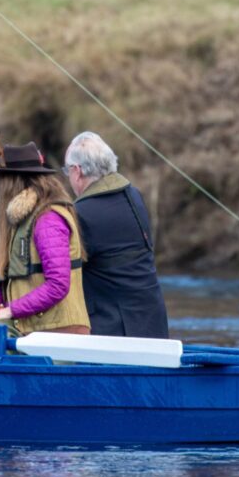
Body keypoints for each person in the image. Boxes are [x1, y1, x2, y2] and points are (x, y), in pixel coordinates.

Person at [63, 132, 169, 338]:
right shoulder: (135, 196)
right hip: (154, 325)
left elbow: (63, 277)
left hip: (113, 332)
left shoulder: (79, 213)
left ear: (77, 171)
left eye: (67, 170)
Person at [0, 141, 90, 335]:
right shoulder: (16, 222)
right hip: (27, 329)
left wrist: (9, 311)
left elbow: (58, 284)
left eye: (3, 180)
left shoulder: (48, 219)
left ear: (13, 181)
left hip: (59, 332)